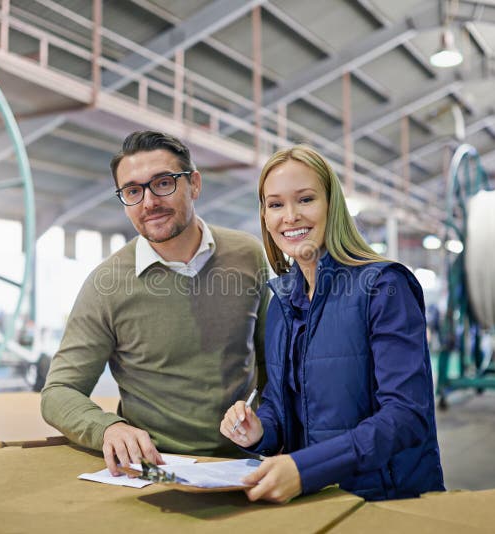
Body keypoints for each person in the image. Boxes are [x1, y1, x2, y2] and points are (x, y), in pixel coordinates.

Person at [220, 145, 445, 503]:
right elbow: (280, 405)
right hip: (313, 499)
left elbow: (406, 416)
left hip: (387, 501)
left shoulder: (383, 286)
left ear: (331, 205)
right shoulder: (281, 301)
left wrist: (305, 468)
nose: (290, 216)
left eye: (305, 199)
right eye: (275, 204)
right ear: (264, 216)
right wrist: (260, 429)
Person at [42, 130, 268, 475]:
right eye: (133, 191)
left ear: (194, 184)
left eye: (163, 183)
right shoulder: (107, 284)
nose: (149, 203)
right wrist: (109, 428)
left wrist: (273, 429)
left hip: (245, 460)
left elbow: (273, 361)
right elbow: (59, 391)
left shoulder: (247, 254)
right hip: (156, 466)